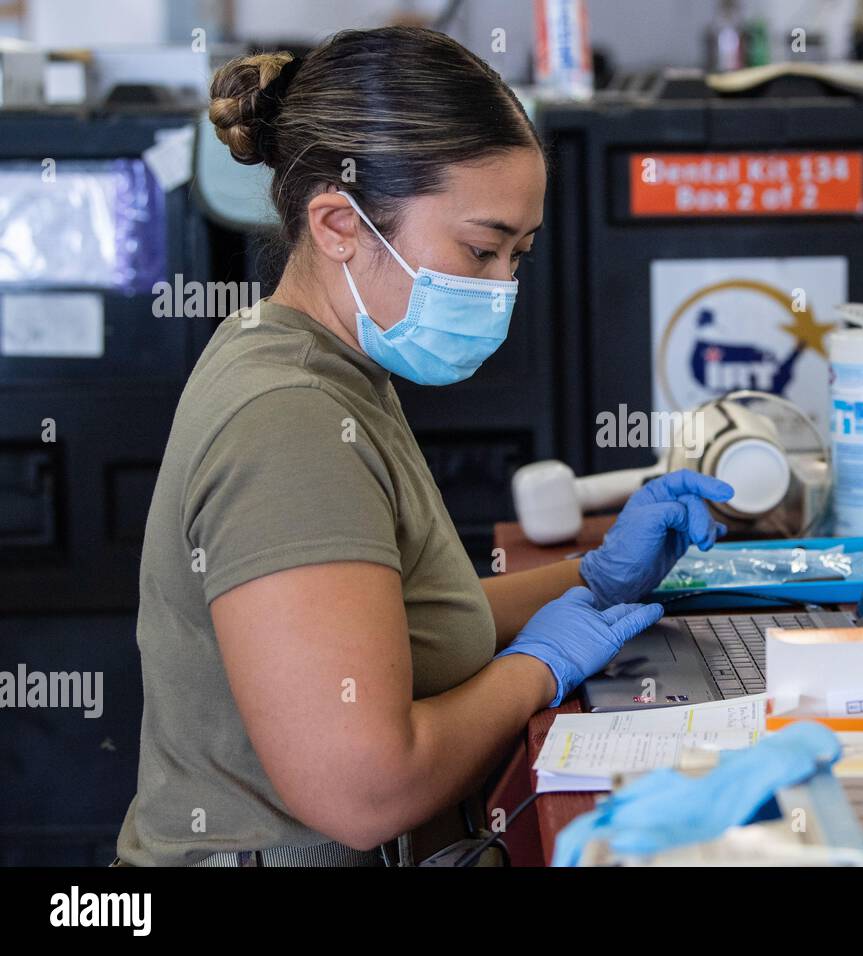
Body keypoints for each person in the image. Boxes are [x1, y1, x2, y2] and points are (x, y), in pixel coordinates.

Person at [114, 26, 732, 866]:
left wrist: (592, 577)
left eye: (518, 253)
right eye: (479, 249)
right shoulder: (289, 418)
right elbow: (367, 792)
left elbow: (389, 625)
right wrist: (540, 669)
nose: (502, 288)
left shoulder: (318, 359)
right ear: (339, 222)